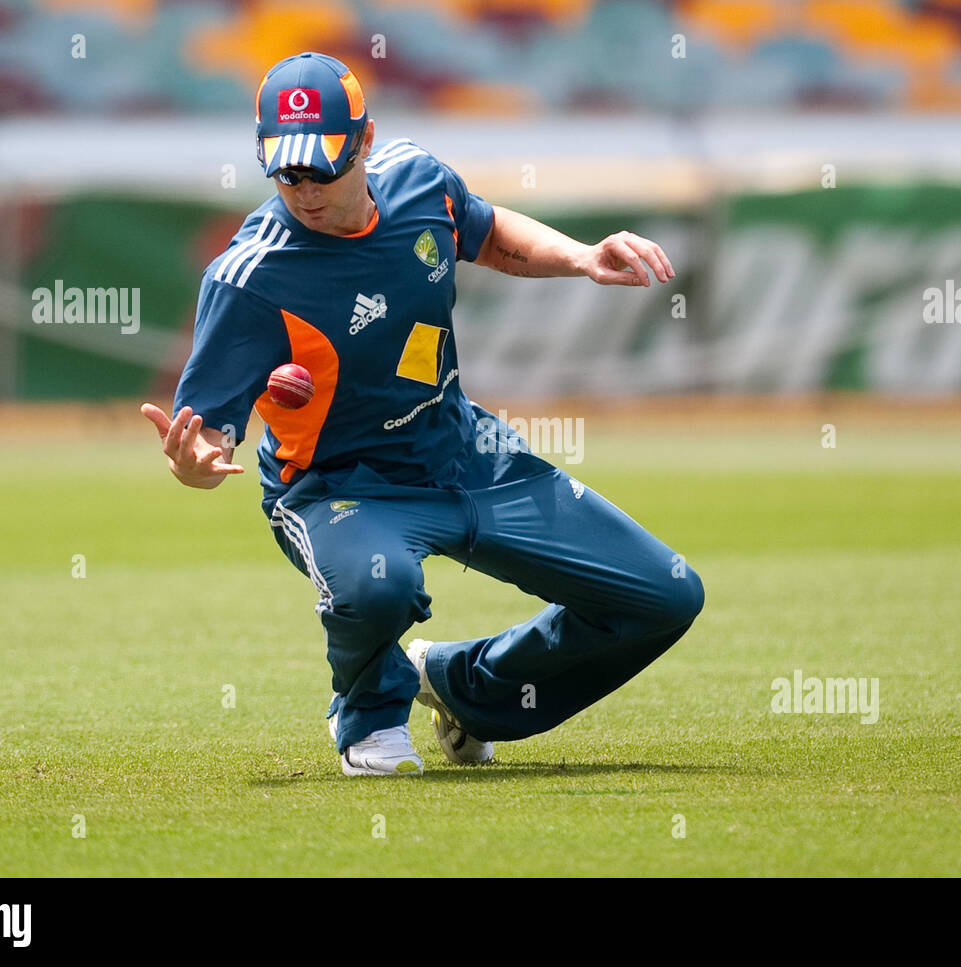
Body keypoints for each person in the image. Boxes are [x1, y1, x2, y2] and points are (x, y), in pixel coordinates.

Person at [141, 52, 703, 776]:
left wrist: (582, 256)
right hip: (339, 488)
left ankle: (467, 688)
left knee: (665, 594)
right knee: (381, 586)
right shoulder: (249, 278)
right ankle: (370, 717)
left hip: (465, 453)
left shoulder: (420, 180)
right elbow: (207, 430)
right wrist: (197, 465)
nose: (304, 190)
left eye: (323, 168)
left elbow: (488, 231)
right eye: (286, 172)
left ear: (366, 142)